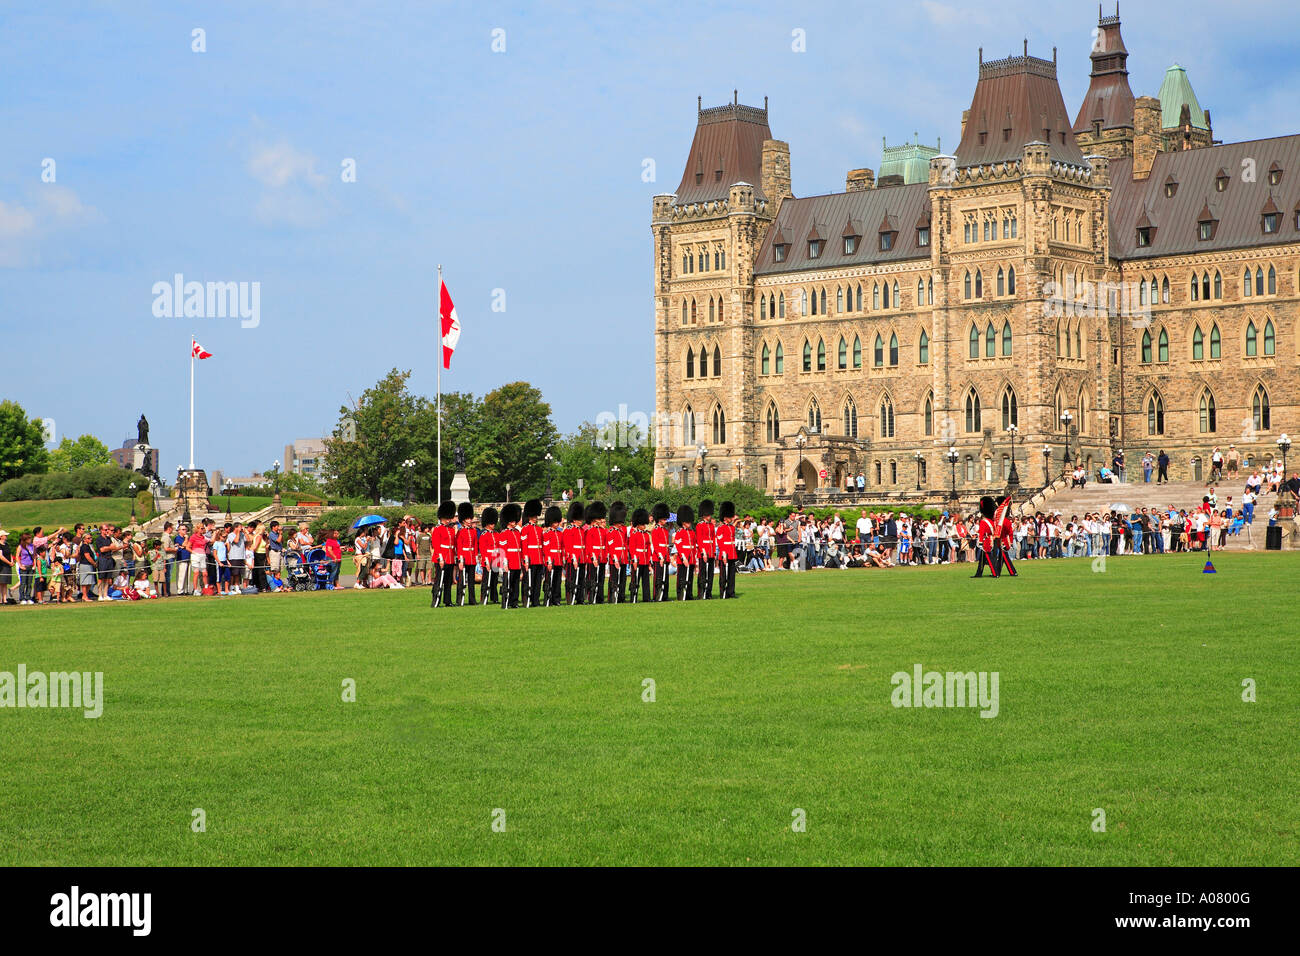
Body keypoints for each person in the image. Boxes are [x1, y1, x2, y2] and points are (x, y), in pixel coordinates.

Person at [430, 501, 457, 608]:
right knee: (439, 580)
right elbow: (436, 545)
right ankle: (436, 600)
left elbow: (452, 545)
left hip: (450, 557)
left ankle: (447, 600)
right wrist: (440, 558)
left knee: (448, 581)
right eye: (447, 517)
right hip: (442, 558)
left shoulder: (450, 529)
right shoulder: (437, 529)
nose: (449, 519)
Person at [498, 503, 524, 609]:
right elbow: (503, 550)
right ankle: (506, 600)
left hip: (517, 561)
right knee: (508, 583)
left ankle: (514, 601)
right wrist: (505, 563)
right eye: (512, 520)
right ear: (508, 521)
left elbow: (520, 548)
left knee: (516, 583)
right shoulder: (504, 534)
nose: (514, 522)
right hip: (509, 561)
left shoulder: (517, 533)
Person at [521, 499, 545, 607]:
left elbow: (542, 546)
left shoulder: (539, 529)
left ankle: (536, 600)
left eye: (536, 516)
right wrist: (525, 559)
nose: (536, 518)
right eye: (534, 516)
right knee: (528, 581)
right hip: (530, 558)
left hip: (539, 558)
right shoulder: (525, 529)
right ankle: (526, 599)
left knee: (537, 581)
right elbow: (524, 546)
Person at [583, 502, 607, 604]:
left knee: (601, 580)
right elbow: (589, 546)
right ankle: (591, 597)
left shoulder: (602, 531)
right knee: (592, 579)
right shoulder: (590, 530)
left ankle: (599, 598)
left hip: (602, 557)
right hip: (593, 558)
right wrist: (594, 558)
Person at [562, 501, 586, 605]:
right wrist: (573, 558)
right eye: (579, 518)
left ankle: (580, 598)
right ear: (574, 518)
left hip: (581, 558)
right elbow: (568, 546)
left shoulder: (581, 530)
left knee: (581, 579)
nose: (581, 520)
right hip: (573, 559)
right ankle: (570, 597)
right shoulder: (569, 530)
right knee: (571, 579)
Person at [605, 501, 628, 604]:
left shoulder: (623, 530)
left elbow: (625, 544)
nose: (621, 524)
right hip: (616, 558)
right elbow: (611, 547)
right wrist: (615, 559)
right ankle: (612, 597)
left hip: (623, 558)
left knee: (623, 580)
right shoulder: (610, 532)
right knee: (614, 579)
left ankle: (621, 597)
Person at [542, 505, 564, 606]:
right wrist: (549, 561)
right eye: (554, 522)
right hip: (551, 560)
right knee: (549, 580)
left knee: (557, 581)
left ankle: (556, 599)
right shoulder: (547, 534)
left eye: (557, 521)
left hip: (558, 559)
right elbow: (546, 549)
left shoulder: (560, 533)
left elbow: (562, 547)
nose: (556, 523)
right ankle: (548, 598)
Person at [673, 505, 696, 601]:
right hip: (683, 558)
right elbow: (678, 546)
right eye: (687, 521)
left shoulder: (692, 532)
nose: (689, 523)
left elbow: (694, 546)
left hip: (691, 558)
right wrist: (684, 558)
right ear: (683, 522)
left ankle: (689, 595)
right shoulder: (679, 532)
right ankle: (680, 595)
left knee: (690, 578)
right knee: (681, 578)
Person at [478, 507, 500, 605]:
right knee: (486, 580)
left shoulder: (496, 534)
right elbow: (483, 550)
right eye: (491, 523)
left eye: (494, 523)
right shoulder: (484, 535)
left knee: (494, 580)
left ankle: (494, 597)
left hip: (495, 559)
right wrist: (486, 561)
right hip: (488, 559)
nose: (493, 525)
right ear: (487, 523)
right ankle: (484, 597)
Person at [972, 497, 998, 578]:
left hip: (985, 542)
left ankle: (995, 573)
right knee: (982, 560)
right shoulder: (991, 521)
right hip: (989, 540)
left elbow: (981, 533)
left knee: (989, 559)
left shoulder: (983, 522)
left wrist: (980, 542)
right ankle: (978, 573)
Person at [695, 499, 716, 599]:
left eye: (709, 514)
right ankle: (701, 592)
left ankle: (709, 592)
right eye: (708, 515)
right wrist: (703, 553)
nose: (709, 516)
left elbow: (713, 539)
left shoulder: (711, 525)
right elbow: (699, 540)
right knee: (702, 574)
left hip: (711, 551)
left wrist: (714, 552)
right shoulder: (699, 525)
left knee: (710, 575)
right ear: (703, 515)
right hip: (703, 552)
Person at [717, 501, 738, 597]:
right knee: (723, 576)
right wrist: (724, 554)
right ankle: (723, 593)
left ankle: (731, 592)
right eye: (730, 517)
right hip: (725, 553)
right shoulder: (721, 528)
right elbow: (720, 542)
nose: (732, 518)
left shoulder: (732, 528)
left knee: (731, 575)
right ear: (725, 518)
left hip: (732, 553)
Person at [650, 503, 671, 601]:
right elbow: (655, 545)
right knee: (658, 579)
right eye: (664, 519)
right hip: (658, 558)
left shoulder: (665, 530)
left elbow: (667, 545)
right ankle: (657, 596)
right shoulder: (656, 530)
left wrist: (667, 556)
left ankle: (664, 596)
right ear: (659, 519)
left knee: (665, 579)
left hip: (665, 556)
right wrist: (660, 557)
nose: (665, 521)